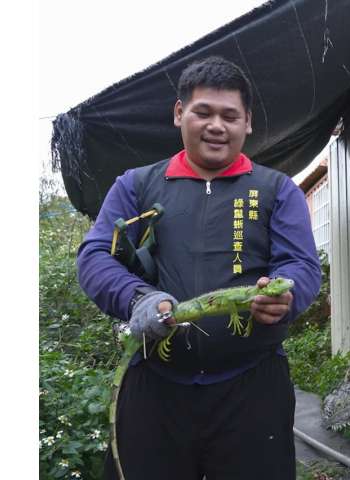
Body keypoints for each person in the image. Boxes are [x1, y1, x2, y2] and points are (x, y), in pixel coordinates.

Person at [77, 56, 321, 479]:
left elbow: (301, 264)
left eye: (230, 116)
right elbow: (95, 256)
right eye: (202, 112)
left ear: (247, 122)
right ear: (179, 114)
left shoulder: (276, 189)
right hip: (154, 381)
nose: (216, 126)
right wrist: (139, 298)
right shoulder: (137, 184)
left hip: (252, 386)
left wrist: (286, 293)